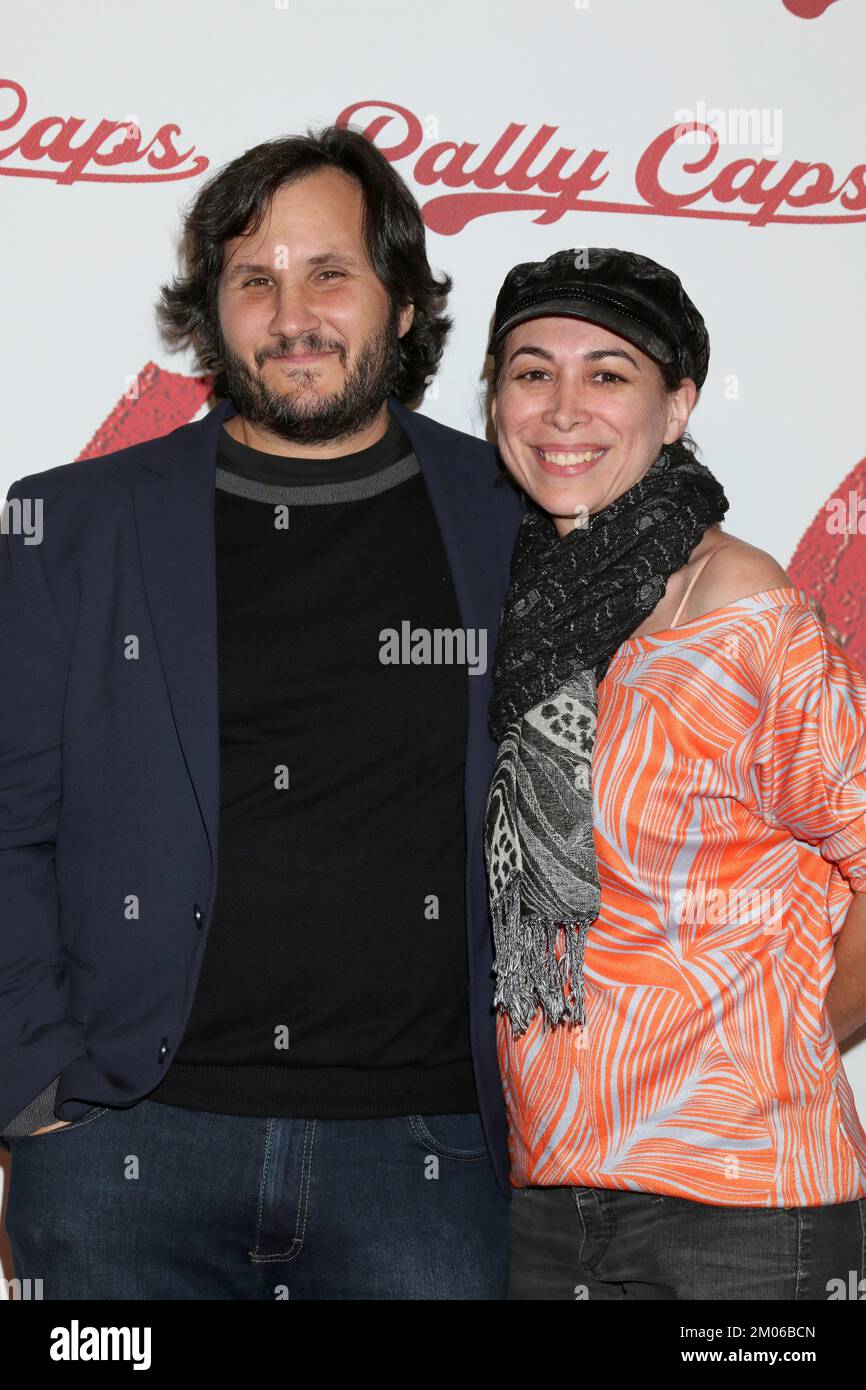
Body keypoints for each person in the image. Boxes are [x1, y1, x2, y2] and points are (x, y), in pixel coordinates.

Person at [0, 126, 524, 1299]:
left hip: (432, 1161)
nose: (293, 313)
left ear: (398, 303)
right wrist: (36, 1096)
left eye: (329, 273)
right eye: (254, 280)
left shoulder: (511, 519)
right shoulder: (71, 528)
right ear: (212, 310)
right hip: (125, 1157)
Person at [483, 246, 866, 1300]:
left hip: (742, 1207)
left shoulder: (741, 609)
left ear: (676, 402)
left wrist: (782, 1040)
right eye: (529, 371)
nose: (562, 408)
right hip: (546, 1194)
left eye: (607, 373)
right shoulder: (518, 612)